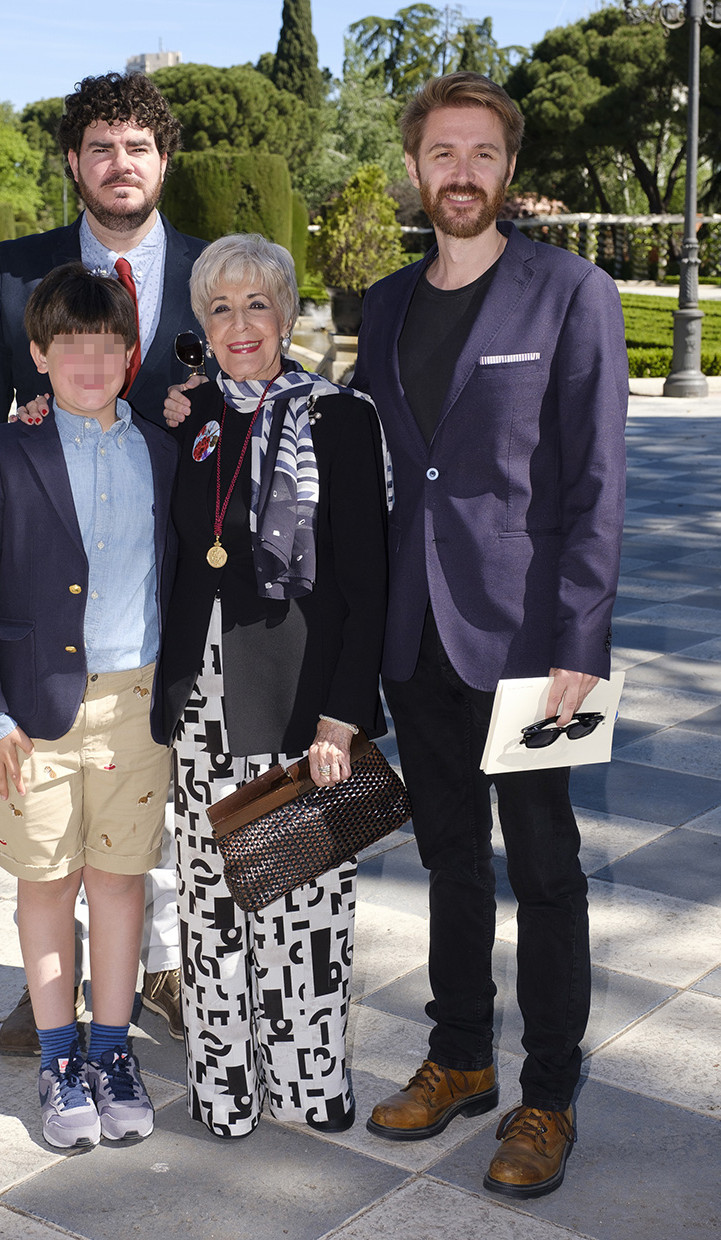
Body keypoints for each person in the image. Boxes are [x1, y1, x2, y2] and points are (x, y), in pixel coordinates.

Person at [350, 73, 628, 1199]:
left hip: (530, 644)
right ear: (413, 170)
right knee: (448, 859)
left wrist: (580, 636)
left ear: (505, 170)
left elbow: (595, 482)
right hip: (415, 639)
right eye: (439, 153)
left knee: (549, 872)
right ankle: (460, 1054)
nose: (458, 172)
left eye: (479, 153)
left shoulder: (572, 292)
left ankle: (547, 1097)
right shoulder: (379, 305)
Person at [0, 70, 207, 1053]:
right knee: (54, 808)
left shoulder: (212, 270)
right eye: (101, 146)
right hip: (47, 610)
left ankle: (163, 965)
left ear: (163, 161)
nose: (119, 163)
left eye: (137, 146)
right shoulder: (18, 273)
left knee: (162, 792)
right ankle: (66, 981)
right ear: (72, 163)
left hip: (181, 588)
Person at [154, 233, 388, 1138]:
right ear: (201, 326)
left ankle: (308, 1079)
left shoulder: (340, 417)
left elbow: (366, 583)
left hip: (298, 700)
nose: (240, 324)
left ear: (288, 315)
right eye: (220, 308)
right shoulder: (187, 416)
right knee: (211, 902)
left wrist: (341, 717)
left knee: (301, 897)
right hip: (199, 699)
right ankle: (225, 1086)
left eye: (258, 305)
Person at [0, 263, 178, 1148]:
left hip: (138, 704)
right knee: (48, 886)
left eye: (107, 344)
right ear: (37, 354)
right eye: (69, 345)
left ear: (130, 353)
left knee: (120, 883)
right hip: (30, 717)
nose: (89, 360)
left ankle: (112, 1050)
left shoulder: (158, 451)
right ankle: (56, 1055)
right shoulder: (6, 453)